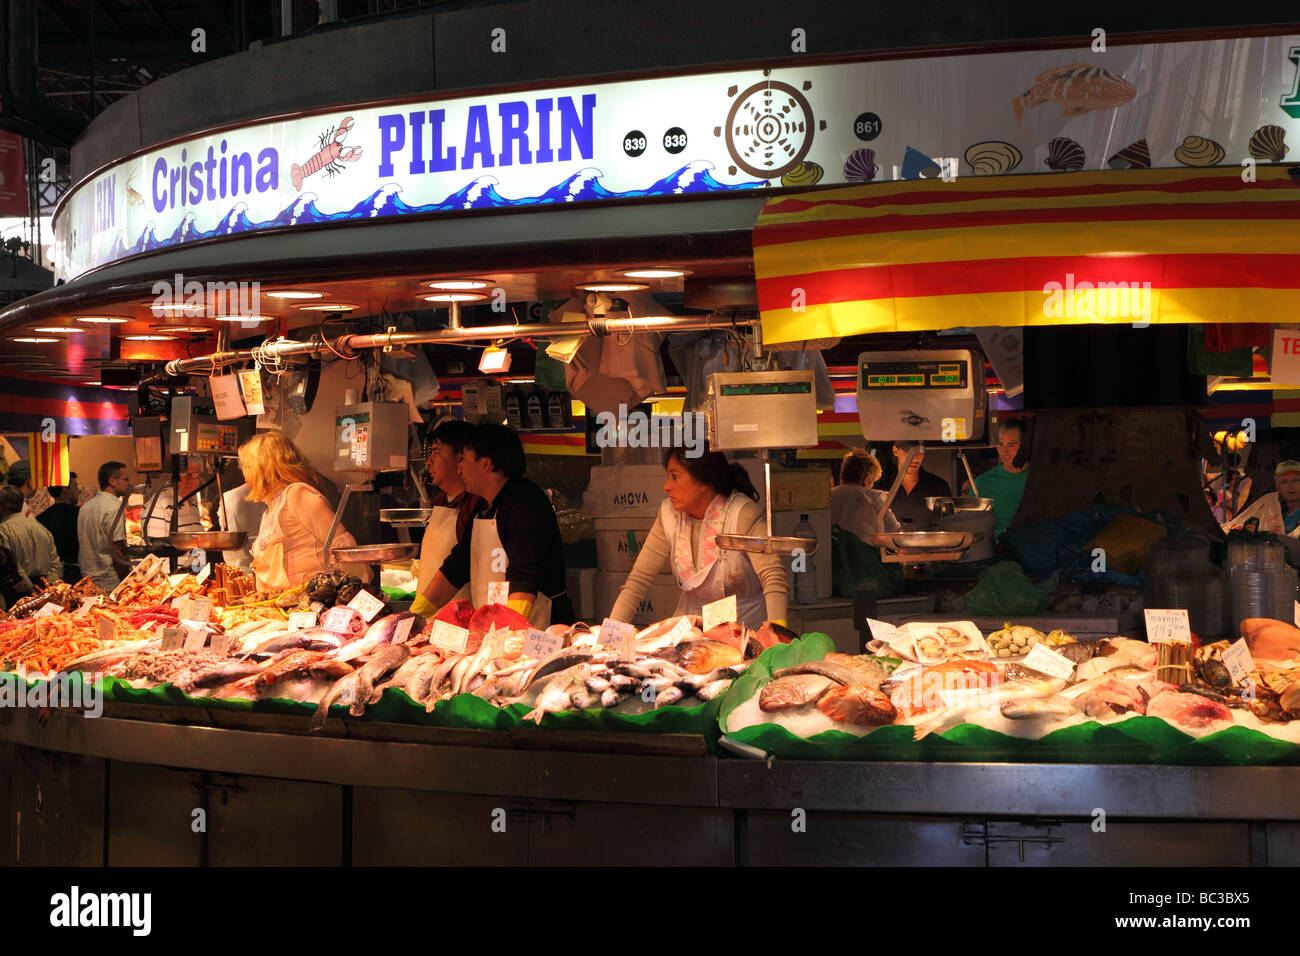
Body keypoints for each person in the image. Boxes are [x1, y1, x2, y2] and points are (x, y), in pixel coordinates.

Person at [611, 445, 789, 629]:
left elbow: (773, 578)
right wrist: (610, 634)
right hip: (691, 632)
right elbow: (639, 580)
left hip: (744, 630)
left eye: (674, 476)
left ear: (702, 481)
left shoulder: (742, 515)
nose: (666, 486)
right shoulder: (669, 516)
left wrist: (778, 634)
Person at [418, 423, 573, 626]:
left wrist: (509, 632)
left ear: (486, 464)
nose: (459, 468)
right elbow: (457, 566)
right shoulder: (482, 506)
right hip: (494, 625)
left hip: (538, 629)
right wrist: (415, 614)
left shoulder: (523, 503)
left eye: (463, 459)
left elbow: (524, 577)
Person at [238, 431, 365, 591]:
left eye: (247, 467)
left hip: (309, 603)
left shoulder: (298, 494)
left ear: (263, 468)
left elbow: (342, 545)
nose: (244, 475)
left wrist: (355, 592)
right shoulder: (274, 505)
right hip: (285, 604)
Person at [410, 419, 481, 614]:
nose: (428, 461)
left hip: (460, 625)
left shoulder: (474, 506)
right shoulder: (442, 501)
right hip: (430, 624)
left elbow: (459, 567)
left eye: (436, 452)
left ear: (461, 458)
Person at [963, 417, 1030, 540]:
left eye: (1011, 445)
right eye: (1000, 444)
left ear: (1024, 445)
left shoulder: (1039, 479)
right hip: (996, 554)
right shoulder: (982, 484)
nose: (1004, 451)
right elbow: (971, 528)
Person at [78, 461, 132, 592]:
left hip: (87, 580)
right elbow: (117, 549)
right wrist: (128, 580)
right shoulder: (115, 507)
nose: (129, 483)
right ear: (112, 481)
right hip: (110, 580)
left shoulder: (85, 507)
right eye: (125, 479)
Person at [876, 441, 952, 529]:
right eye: (908, 452)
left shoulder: (939, 487)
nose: (915, 459)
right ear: (896, 451)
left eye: (919, 452)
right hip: (891, 542)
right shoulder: (881, 488)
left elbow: (948, 526)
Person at [0, 485, 63, 589]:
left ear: (1, 506)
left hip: (19, 595)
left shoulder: (3, 531)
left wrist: (32, 591)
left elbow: (15, 569)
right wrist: (47, 588)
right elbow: (56, 565)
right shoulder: (42, 528)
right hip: (45, 591)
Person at [831, 448, 901, 541]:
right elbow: (894, 532)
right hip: (865, 554)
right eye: (872, 482)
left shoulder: (827, 496)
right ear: (867, 479)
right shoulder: (874, 498)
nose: (872, 486)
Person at [1222, 460, 1300, 538]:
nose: (1290, 486)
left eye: (1296, 480)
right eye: (1284, 481)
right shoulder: (1278, 515)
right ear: (1277, 486)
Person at [36, 477, 81, 582]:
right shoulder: (81, 514)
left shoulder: (40, 518)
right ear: (65, 490)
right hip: (78, 573)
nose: (79, 490)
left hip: (52, 576)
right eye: (75, 486)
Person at [142, 471, 204, 541]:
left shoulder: (192, 500)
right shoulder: (159, 504)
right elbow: (155, 547)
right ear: (173, 476)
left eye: (194, 475)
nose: (189, 480)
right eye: (184, 474)